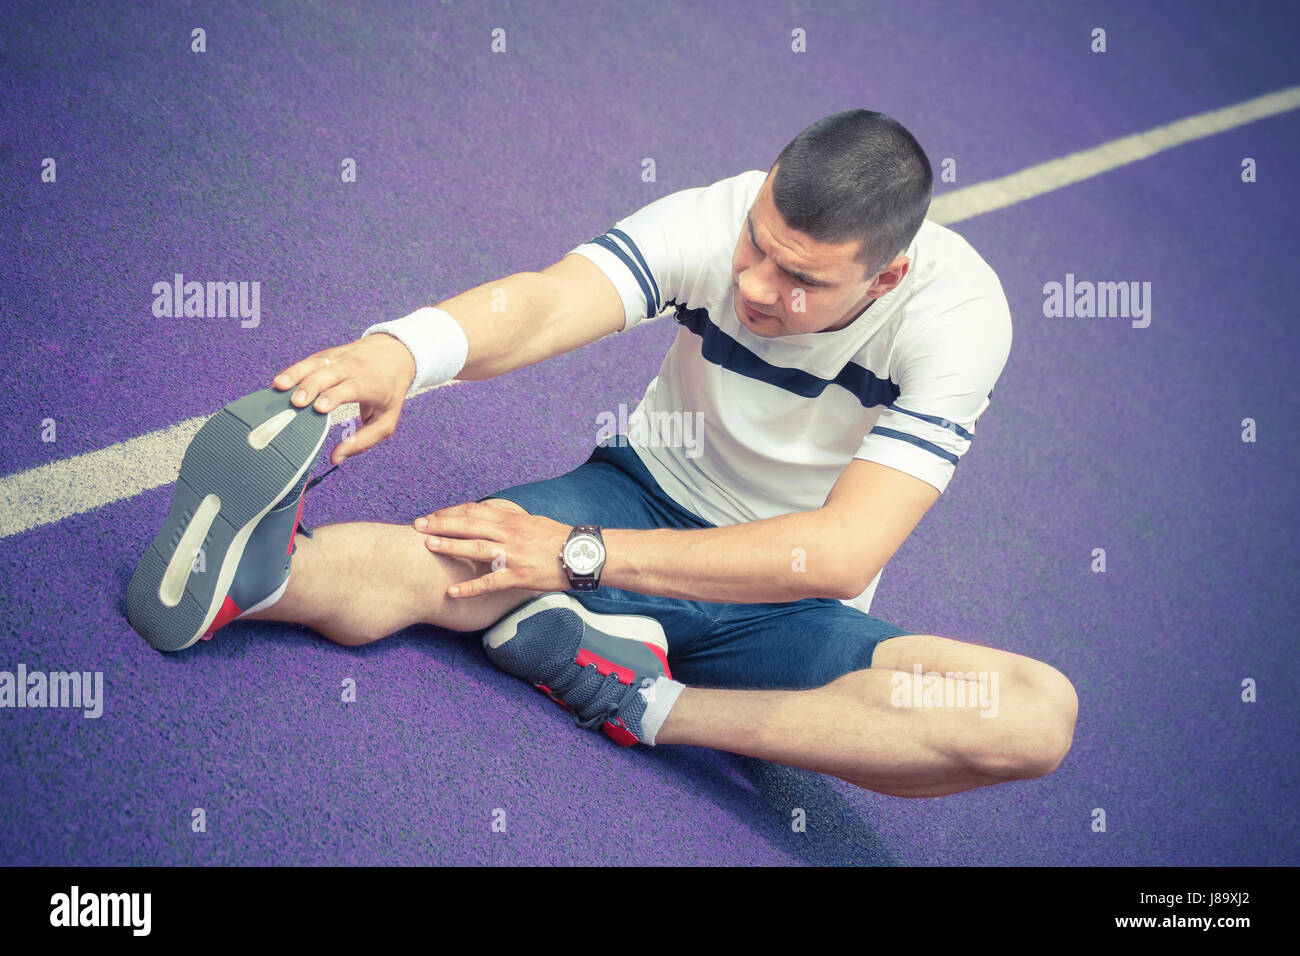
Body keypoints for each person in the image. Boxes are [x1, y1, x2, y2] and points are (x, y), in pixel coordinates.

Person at [128, 110, 1077, 798]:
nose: (752, 282)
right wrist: (400, 354)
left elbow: (839, 554)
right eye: (756, 244)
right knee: (441, 565)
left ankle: (649, 702)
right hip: (636, 499)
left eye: (798, 278)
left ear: (889, 275)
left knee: (1030, 715)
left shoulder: (959, 318)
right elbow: (544, 302)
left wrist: (578, 558)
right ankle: (256, 580)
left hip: (783, 601)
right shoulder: (722, 218)